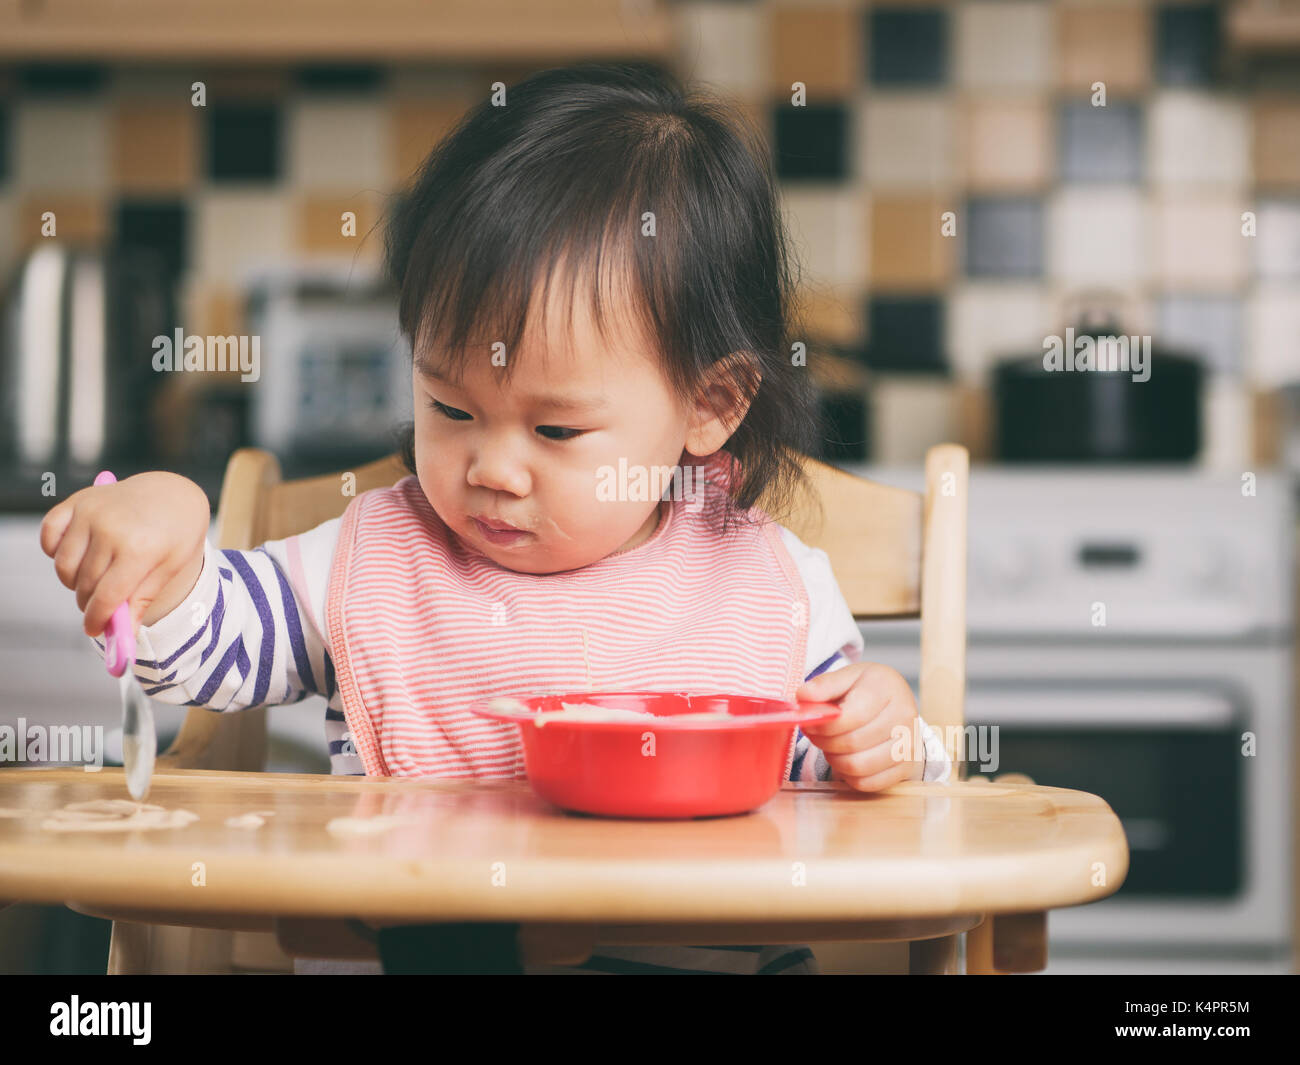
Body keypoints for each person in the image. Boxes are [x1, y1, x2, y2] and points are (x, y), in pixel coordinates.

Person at [40, 61, 950, 974]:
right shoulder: (376, 559)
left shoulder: (767, 588)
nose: (492, 467)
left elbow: (859, 794)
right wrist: (164, 548)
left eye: (555, 427)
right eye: (451, 407)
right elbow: (199, 651)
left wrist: (882, 737)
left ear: (709, 405)